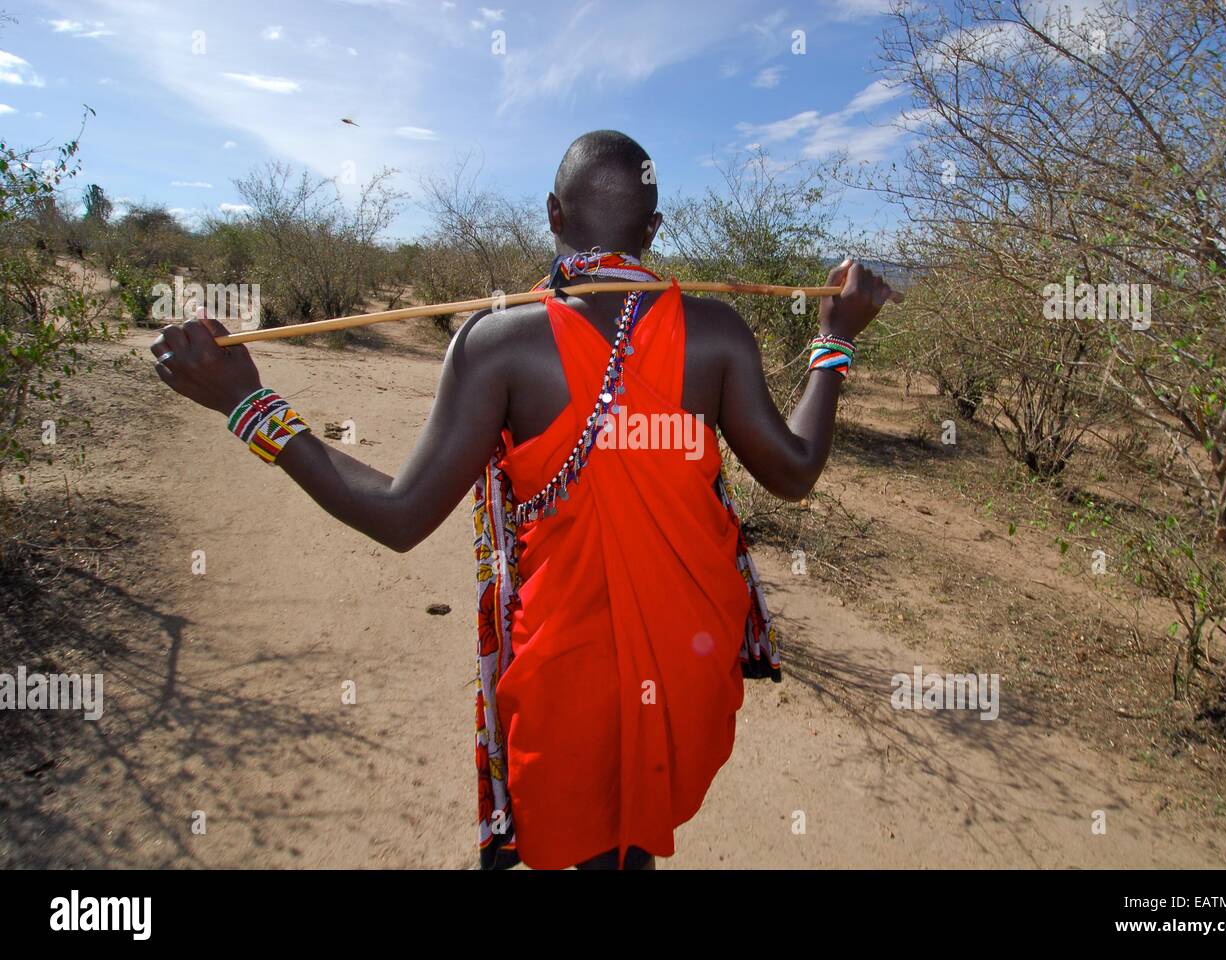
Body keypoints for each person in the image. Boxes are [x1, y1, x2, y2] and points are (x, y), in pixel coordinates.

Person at [151, 130, 895, 870]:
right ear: (655, 230)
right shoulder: (718, 332)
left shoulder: (497, 342)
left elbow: (399, 515)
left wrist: (247, 403)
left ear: (551, 214)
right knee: (632, 836)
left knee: (593, 832)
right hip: (686, 655)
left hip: (563, 667)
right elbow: (795, 472)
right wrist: (836, 341)